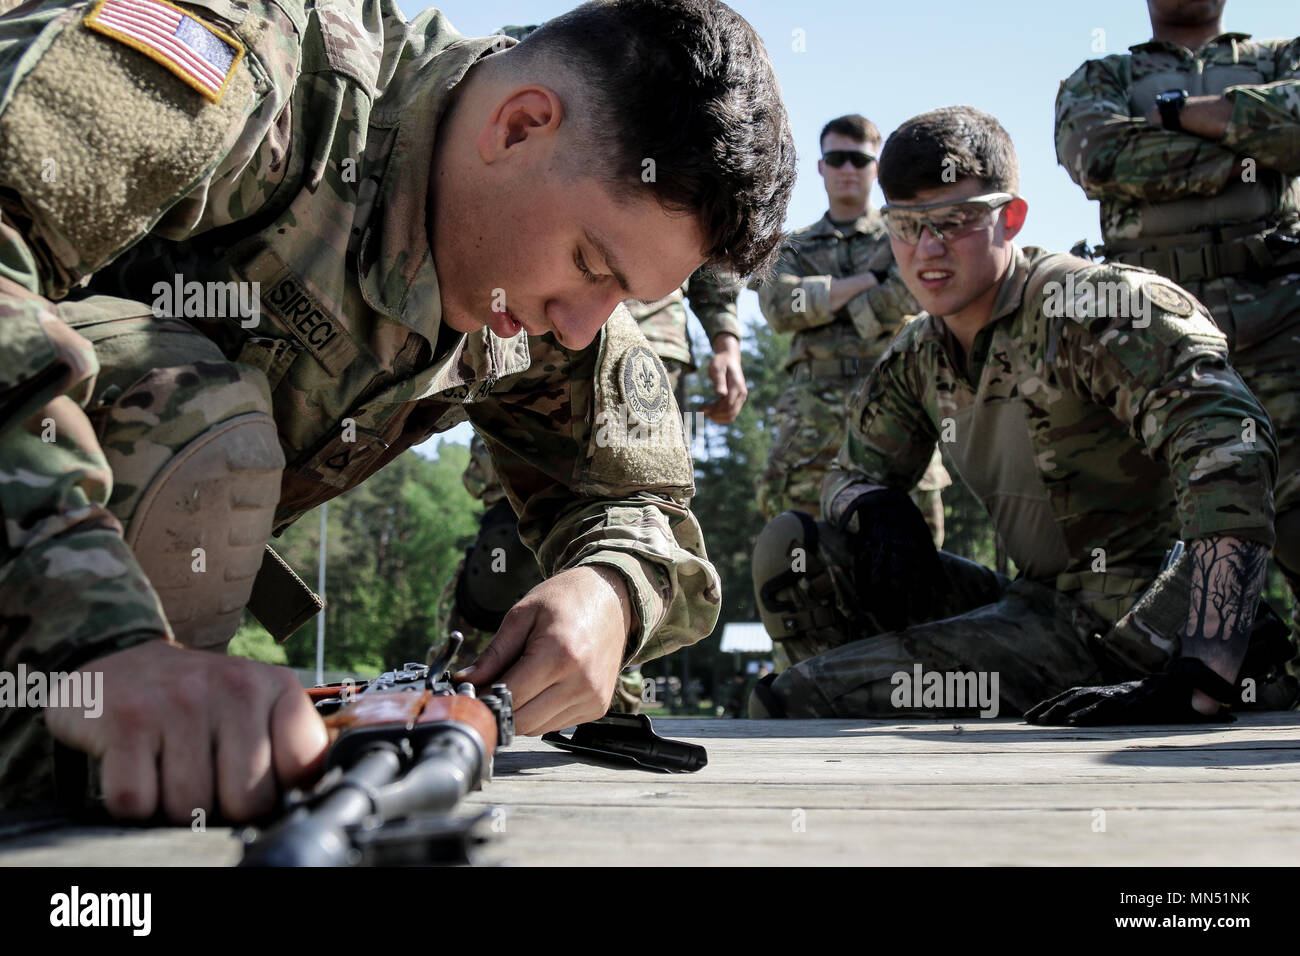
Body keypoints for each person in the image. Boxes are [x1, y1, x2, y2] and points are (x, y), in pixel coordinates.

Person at [0, 0, 794, 821]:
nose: (581, 323)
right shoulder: (262, 64)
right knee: (189, 415)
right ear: (519, 128)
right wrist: (98, 641)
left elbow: (639, 504)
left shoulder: (546, 289)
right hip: (57, 590)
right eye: (591, 264)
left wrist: (613, 593)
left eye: (623, 296)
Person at [749, 106, 1296, 723]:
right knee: (795, 552)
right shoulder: (919, 351)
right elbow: (851, 473)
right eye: (905, 225)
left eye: (954, 221)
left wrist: (1206, 667)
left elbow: (1229, 441)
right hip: (1039, 606)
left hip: (1145, 627)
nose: (927, 249)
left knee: (794, 700)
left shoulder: (1095, 307)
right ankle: (891, 745)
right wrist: (873, 507)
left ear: (1009, 218)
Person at [1055, 0, 1300, 641]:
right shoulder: (1099, 77)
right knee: (1151, 530)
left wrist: (1171, 116)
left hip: (1282, 316)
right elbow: (1101, 157)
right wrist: (1252, 144)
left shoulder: (1282, 57)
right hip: (1148, 334)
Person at [448, 264, 745, 714]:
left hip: (649, 338)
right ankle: (467, 671)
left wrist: (726, 339)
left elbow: (714, 247)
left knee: (622, 532)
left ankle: (611, 689)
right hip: (532, 317)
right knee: (506, 541)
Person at [752, 114, 949, 541]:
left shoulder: (906, 235)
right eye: (836, 159)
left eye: (858, 160)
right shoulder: (792, 245)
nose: (847, 170)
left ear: (875, 169)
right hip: (811, 418)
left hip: (894, 401)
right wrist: (869, 282)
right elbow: (778, 305)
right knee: (802, 545)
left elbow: (913, 294)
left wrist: (827, 303)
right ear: (821, 167)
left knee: (916, 545)